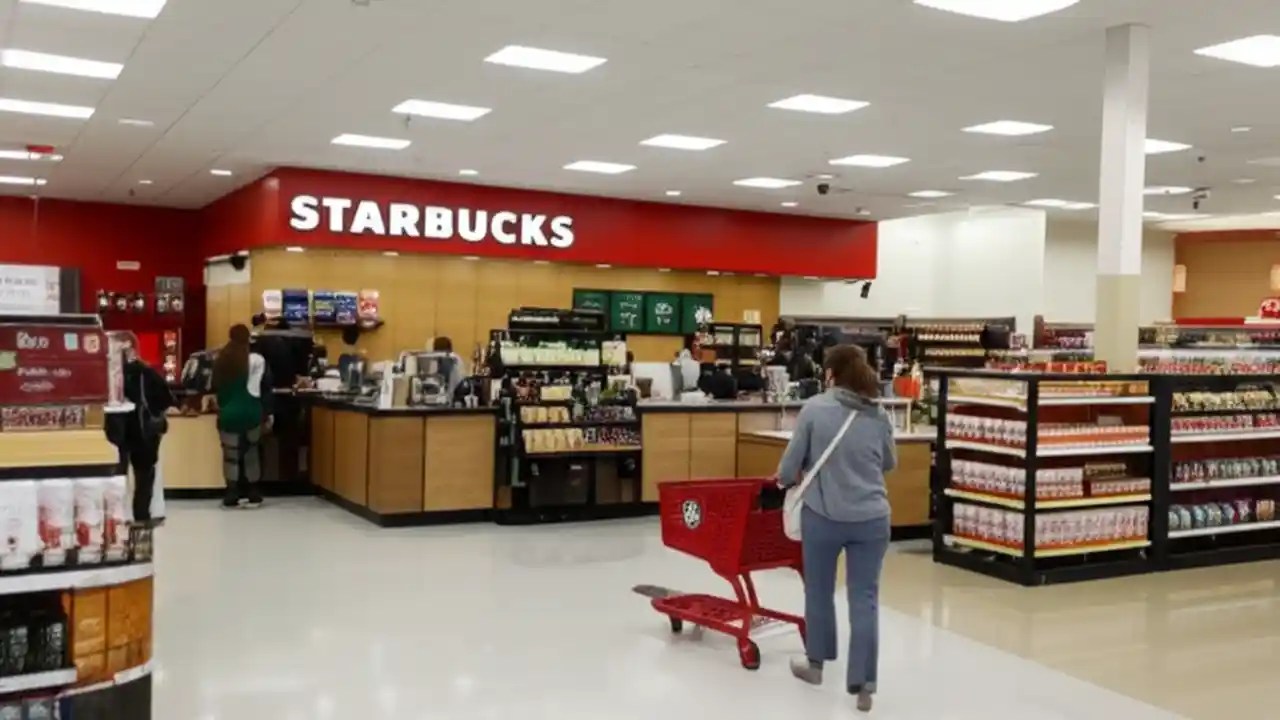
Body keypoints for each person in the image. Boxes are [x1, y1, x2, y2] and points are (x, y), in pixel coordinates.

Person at [776, 344, 895, 713]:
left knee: (819, 591)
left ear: (830, 373)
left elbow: (788, 467)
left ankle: (815, 666)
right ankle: (864, 687)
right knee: (865, 599)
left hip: (824, 517)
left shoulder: (815, 409)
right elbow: (889, 462)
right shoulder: (878, 414)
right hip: (872, 520)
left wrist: (786, 479)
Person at [212, 324, 274, 509]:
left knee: (230, 455)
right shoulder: (257, 360)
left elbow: (215, 388)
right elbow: (266, 388)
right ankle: (253, 492)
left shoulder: (221, 359)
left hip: (229, 413)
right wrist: (268, 413)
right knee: (251, 451)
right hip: (252, 411)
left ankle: (232, 493)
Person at [120, 342, 176, 524]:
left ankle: (120, 516)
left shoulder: (109, 376)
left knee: (118, 478)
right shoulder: (147, 374)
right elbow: (166, 400)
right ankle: (141, 515)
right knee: (144, 477)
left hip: (117, 431)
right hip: (144, 432)